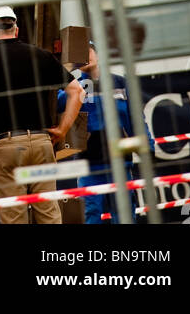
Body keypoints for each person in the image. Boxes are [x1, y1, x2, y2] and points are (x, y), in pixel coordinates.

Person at [0, 5, 83, 225]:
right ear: (16, 30)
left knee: (13, 216)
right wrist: (62, 129)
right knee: (48, 213)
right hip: (40, 142)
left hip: (6, 146)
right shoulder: (40, 55)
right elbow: (77, 91)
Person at [58, 40, 152, 224]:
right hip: (88, 165)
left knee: (124, 214)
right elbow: (52, 106)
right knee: (90, 214)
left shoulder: (120, 83)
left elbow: (136, 119)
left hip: (120, 162)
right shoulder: (75, 87)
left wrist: (148, 147)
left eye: (89, 50)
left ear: (99, 55)